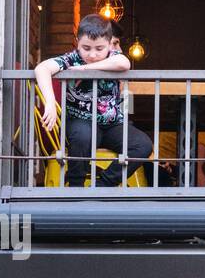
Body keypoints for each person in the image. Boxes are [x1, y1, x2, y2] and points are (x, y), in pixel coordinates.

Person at [33, 14, 153, 187]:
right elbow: (42, 68)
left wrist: (84, 69)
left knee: (142, 145)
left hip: (112, 125)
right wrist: (50, 103)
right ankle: (76, 188)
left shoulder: (113, 57)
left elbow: (124, 63)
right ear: (77, 42)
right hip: (81, 121)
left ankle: (103, 186)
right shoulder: (72, 58)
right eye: (86, 48)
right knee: (82, 138)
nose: (93, 54)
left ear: (109, 43)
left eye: (99, 48)